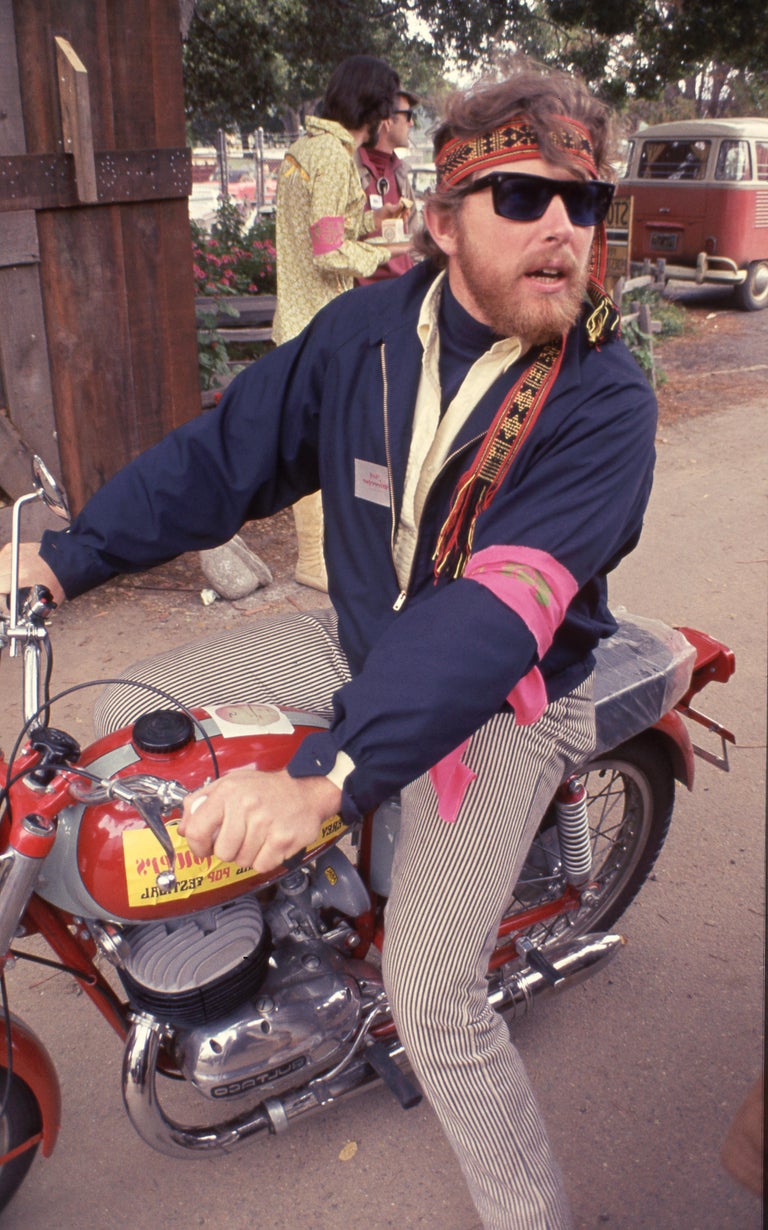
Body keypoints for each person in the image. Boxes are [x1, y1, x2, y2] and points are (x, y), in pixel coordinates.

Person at [1, 59, 657, 1229]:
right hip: (361, 640)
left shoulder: (605, 399)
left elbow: (491, 615)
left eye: (584, 201)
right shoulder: (365, 333)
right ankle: (277, 919)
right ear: (444, 222)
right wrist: (66, 555)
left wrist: (331, 778)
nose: (563, 227)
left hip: (505, 691)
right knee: (117, 730)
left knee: (433, 994)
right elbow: (227, 458)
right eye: (522, 197)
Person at [272, 54, 413, 591]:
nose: (394, 118)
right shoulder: (332, 157)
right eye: (392, 106)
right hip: (321, 324)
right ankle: (317, 559)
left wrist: (376, 220)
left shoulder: (306, 148)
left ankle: (329, 553)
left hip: (299, 320)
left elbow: (328, 222)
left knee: (327, 437)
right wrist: (380, 254)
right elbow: (329, 251)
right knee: (338, 439)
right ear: (375, 107)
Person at [356, 88, 418, 283]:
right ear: (387, 120)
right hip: (364, 299)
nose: (411, 123)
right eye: (408, 115)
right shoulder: (350, 170)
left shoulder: (400, 171)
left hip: (404, 293)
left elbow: (416, 238)